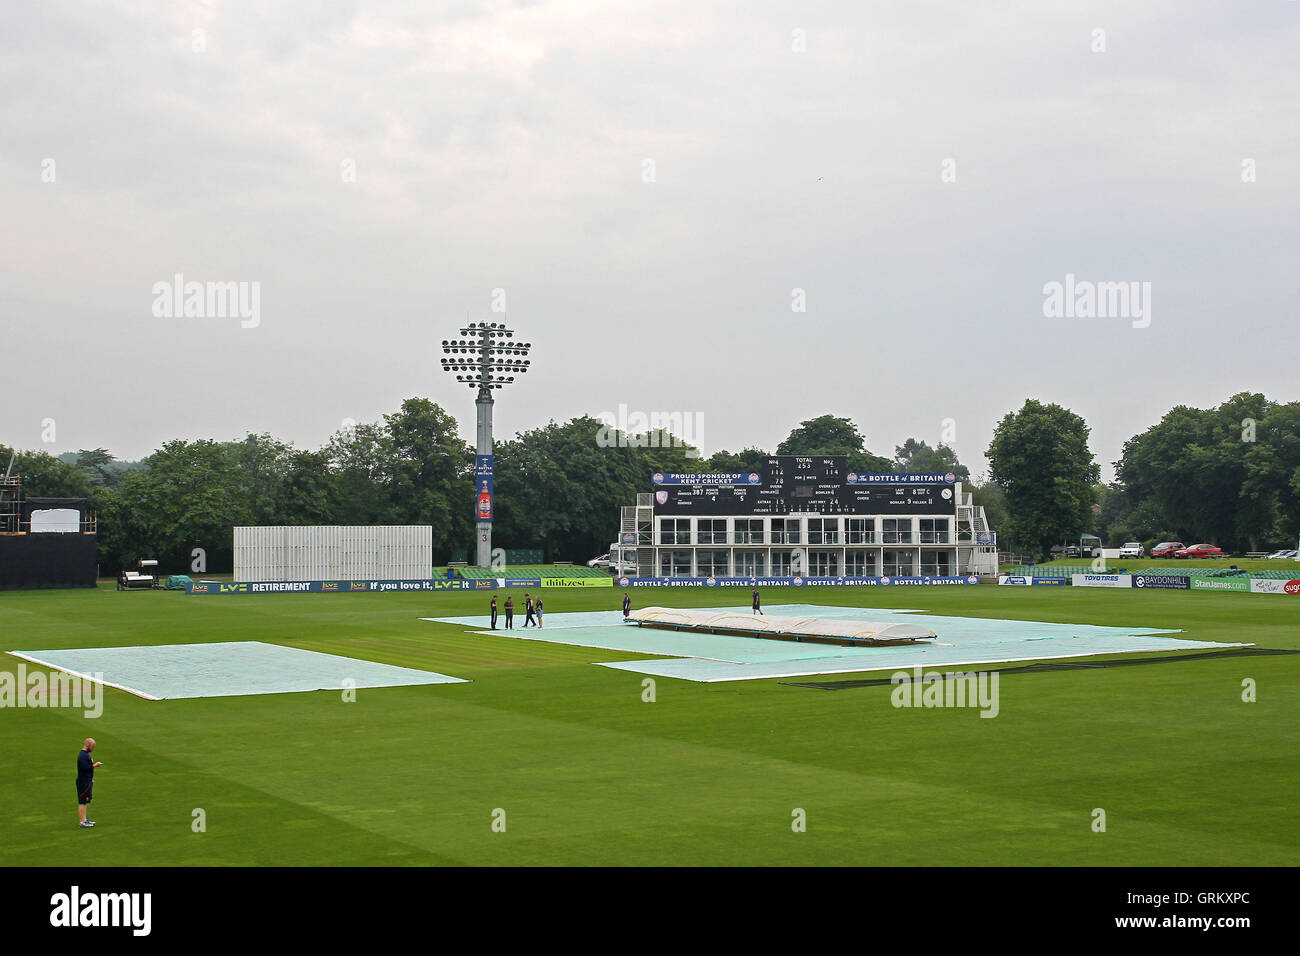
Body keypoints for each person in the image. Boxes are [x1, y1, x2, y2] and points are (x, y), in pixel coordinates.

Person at [77, 738, 103, 828]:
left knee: (85, 801)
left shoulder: (85, 755)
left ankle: (84, 819)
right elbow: (85, 768)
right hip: (83, 782)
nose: (93, 749)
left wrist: (90, 778)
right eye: (92, 747)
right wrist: (95, 765)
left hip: (86, 780)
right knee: (82, 801)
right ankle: (82, 822)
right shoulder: (82, 756)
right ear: (88, 745)